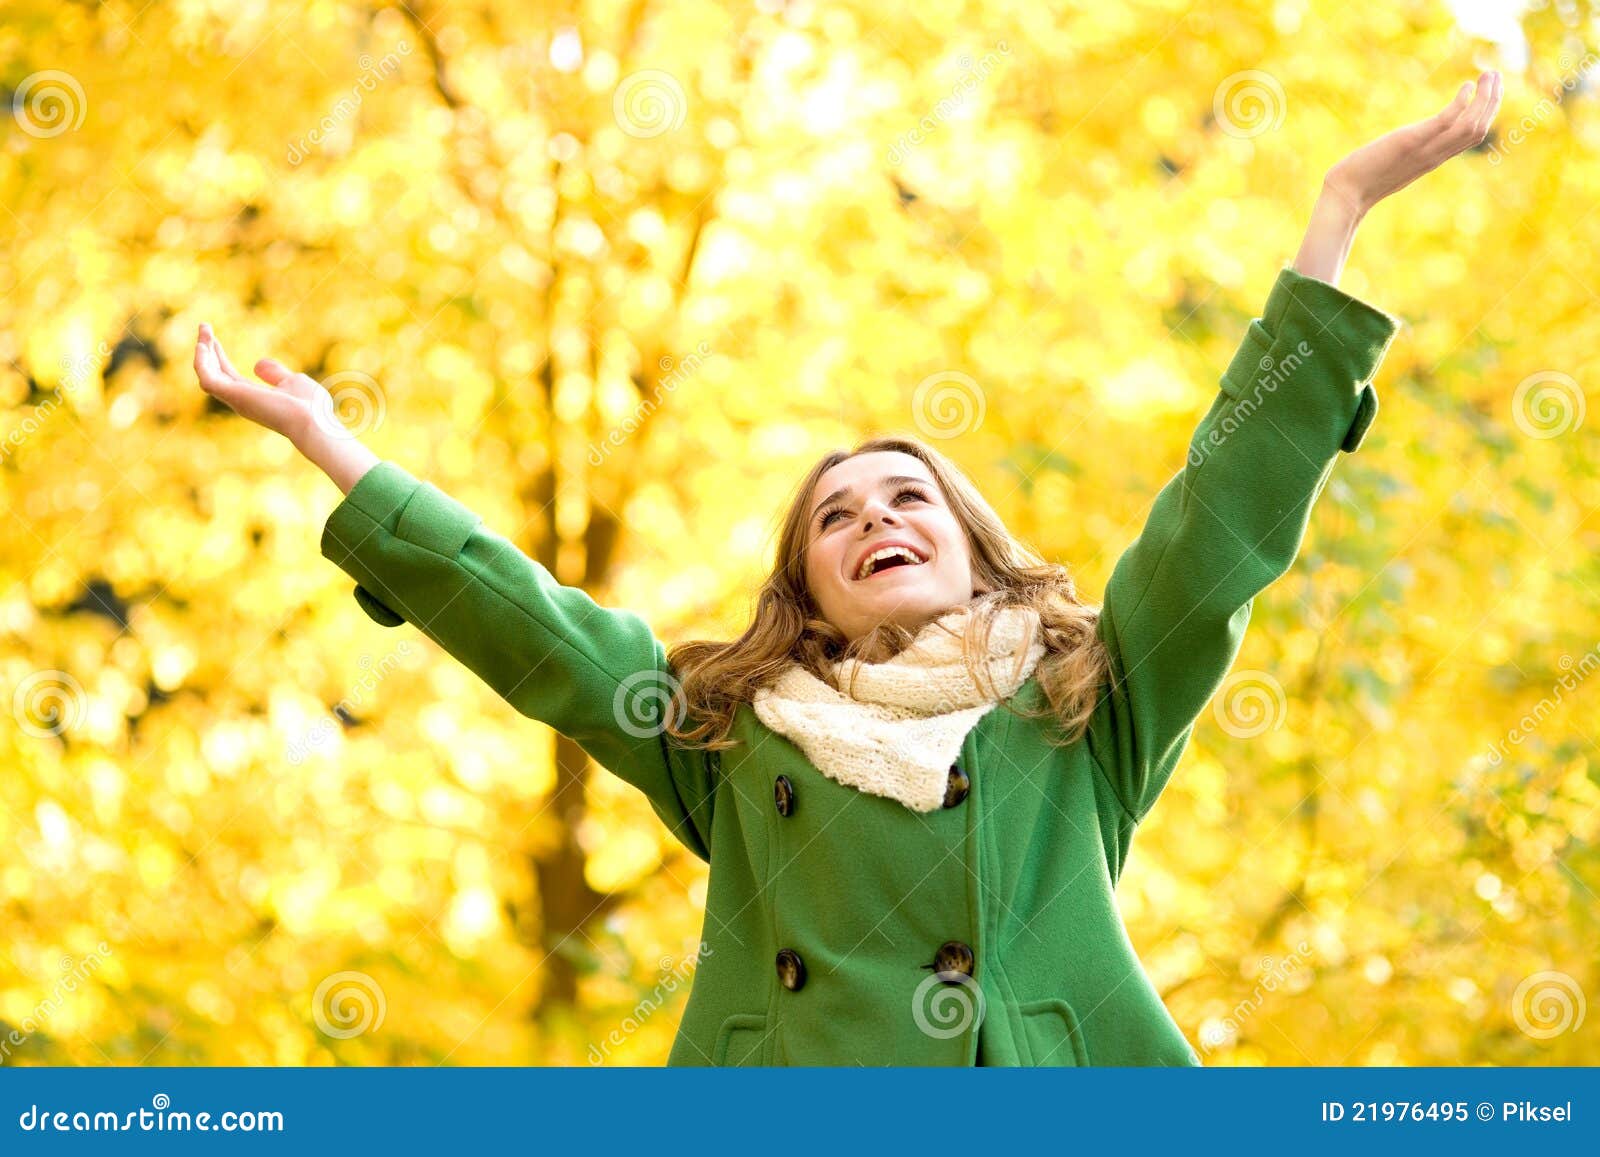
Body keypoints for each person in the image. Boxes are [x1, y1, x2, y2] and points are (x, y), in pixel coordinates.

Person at [193, 72, 1501, 1065]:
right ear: (805, 594)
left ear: (973, 547)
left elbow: (1217, 526)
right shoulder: (727, 733)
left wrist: (1338, 212)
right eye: (835, 517)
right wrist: (329, 441)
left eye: (907, 496)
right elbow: (531, 625)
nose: (876, 518)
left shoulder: (1083, 699)